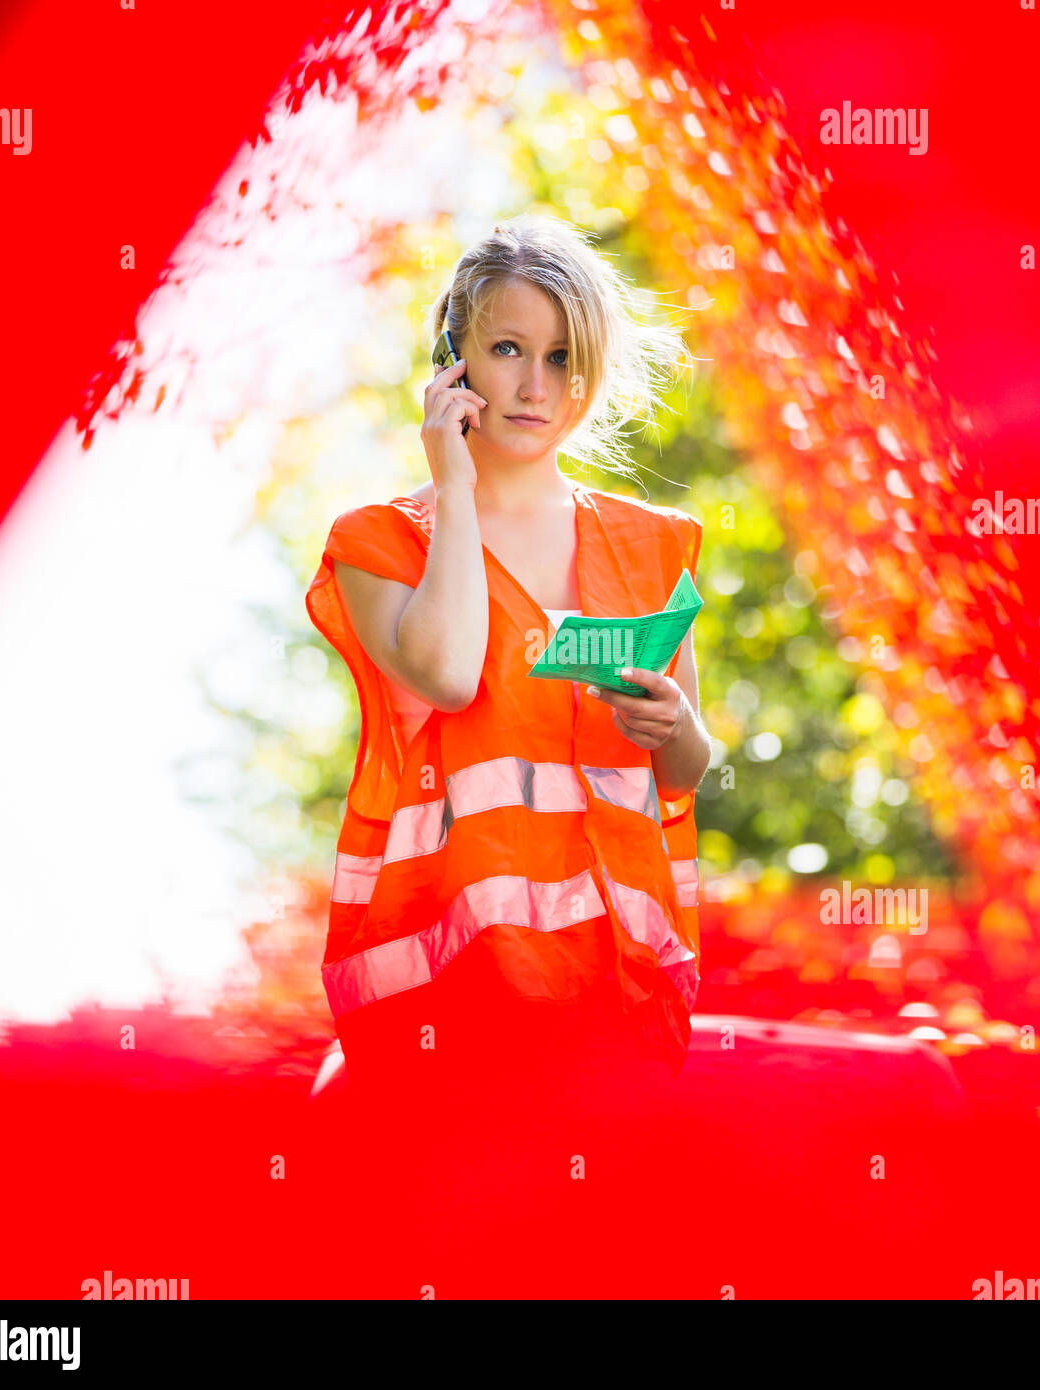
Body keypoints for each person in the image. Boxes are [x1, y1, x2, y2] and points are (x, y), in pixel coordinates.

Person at [304, 215, 709, 1198]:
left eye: (563, 357)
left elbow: (686, 770)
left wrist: (679, 733)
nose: (535, 385)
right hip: (449, 989)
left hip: (615, 987)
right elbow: (445, 673)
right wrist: (453, 485)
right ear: (455, 362)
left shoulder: (654, 545)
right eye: (506, 350)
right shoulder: (379, 541)